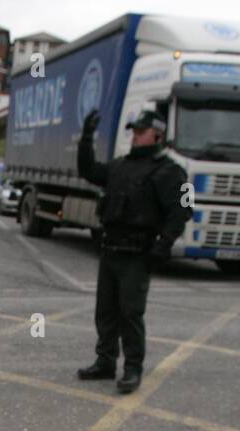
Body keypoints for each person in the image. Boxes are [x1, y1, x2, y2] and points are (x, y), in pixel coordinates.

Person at [75, 108, 191, 393]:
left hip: (137, 254)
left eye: (141, 132)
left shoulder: (170, 171)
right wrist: (86, 138)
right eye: (134, 131)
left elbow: (182, 210)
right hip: (111, 249)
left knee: (130, 313)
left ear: (158, 135)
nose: (135, 136)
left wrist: (162, 246)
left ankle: (132, 368)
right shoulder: (120, 166)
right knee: (105, 311)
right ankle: (105, 361)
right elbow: (89, 171)